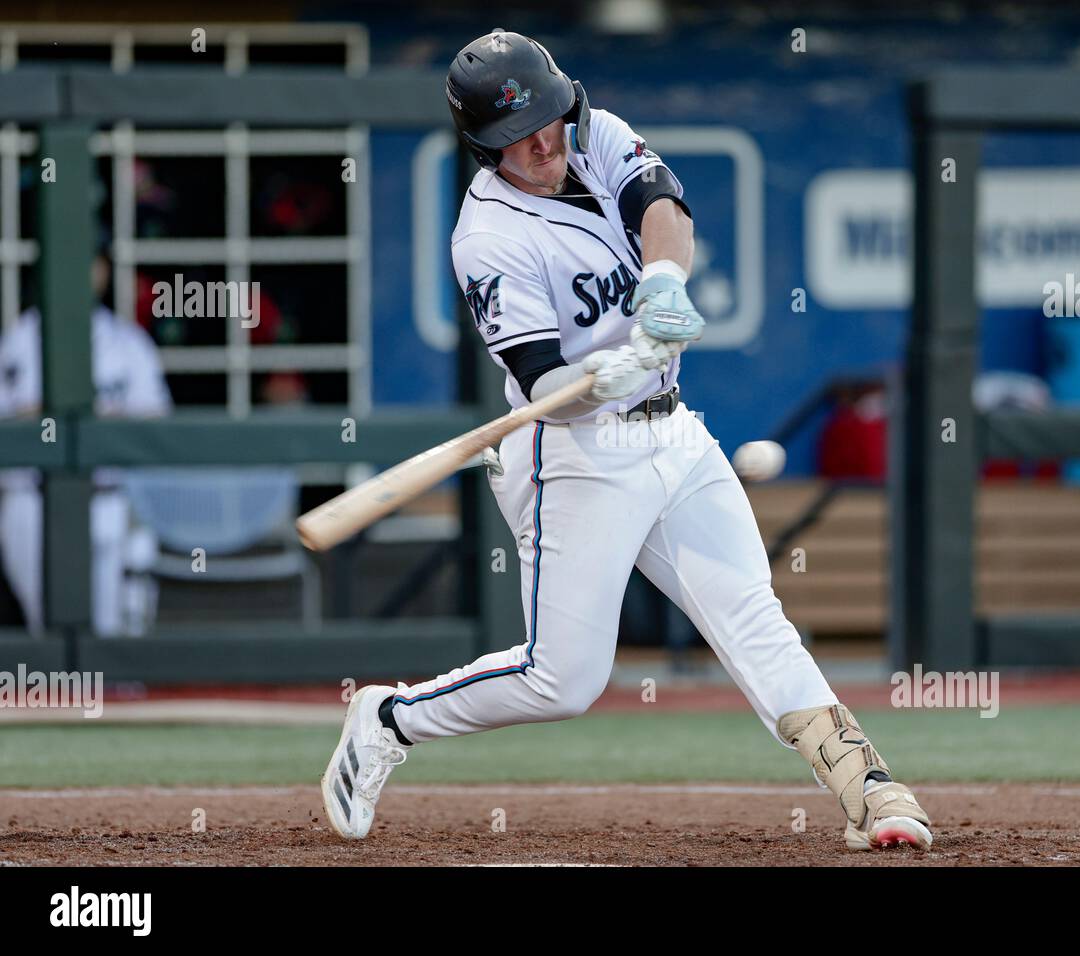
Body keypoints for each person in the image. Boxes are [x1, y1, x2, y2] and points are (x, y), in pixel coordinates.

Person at [321, 31, 932, 853]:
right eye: (517, 136)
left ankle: (869, 789)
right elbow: (544, 389)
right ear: (481, 145)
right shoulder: (487, 237)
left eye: (549, 120)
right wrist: (603, 374)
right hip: (575, 460)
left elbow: (663, 211)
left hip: (674, 434)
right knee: (563, 679)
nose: (542, 144)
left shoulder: (597, 132)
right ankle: (389, 717)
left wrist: (664, 282)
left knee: (753, 615)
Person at [0, 252, 172, 636]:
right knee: (50, 634)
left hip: (113, 497)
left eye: (93, 262)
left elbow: (156, 420)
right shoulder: (21, 337)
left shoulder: (126, 341)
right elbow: (10, 420)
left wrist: (84, 415)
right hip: (35, 499)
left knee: (120, 637)